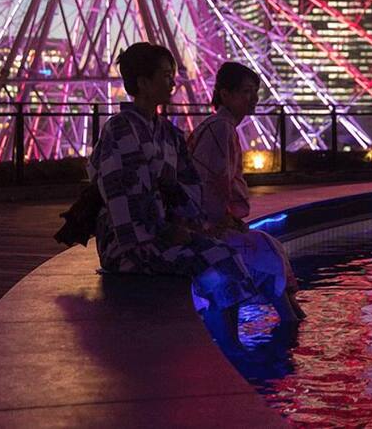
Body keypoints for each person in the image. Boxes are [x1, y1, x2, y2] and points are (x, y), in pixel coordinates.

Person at [88, 42, 256, 349]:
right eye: (165, 76)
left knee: (226, 256)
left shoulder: (166, 132)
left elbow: (188, 186)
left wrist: (193, 224)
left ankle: (226, 340)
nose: (172, 83)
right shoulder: (120, 131)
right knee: (219, 261)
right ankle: (225, 343)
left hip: (162, 232)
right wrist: (166, 230)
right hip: (127, 246)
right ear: (142, 83)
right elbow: (122, 198)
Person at [189, 62, 305, 324]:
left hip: (213, 221)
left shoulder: (222, 126)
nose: (252, 98)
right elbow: (213, 182)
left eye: (254, 91)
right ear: (225, 94)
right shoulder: (220, 128)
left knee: (268, 245)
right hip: (206, 226)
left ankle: (291, 318)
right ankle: (289, 325)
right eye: (245, 91)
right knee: (266, 250)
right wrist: (222, 220)